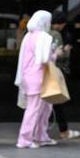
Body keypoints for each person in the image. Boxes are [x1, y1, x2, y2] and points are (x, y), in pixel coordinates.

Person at [15, 10, 58, 149]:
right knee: (36, 109)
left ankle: (40, 136)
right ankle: (25, 139)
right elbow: (45, 58)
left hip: (29, 77)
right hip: (40, 77)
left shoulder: (28, 36)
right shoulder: (44, 37)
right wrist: (55, 54)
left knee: (43, 108)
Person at [49, 9, 80, 141]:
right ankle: (64, 131)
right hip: (55, 71)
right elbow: (58, 55)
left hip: (42, 72)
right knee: (57, 101)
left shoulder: (39, 33)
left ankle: (38, 132)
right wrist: (66, 51)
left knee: (45, 104)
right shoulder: (55, 34)